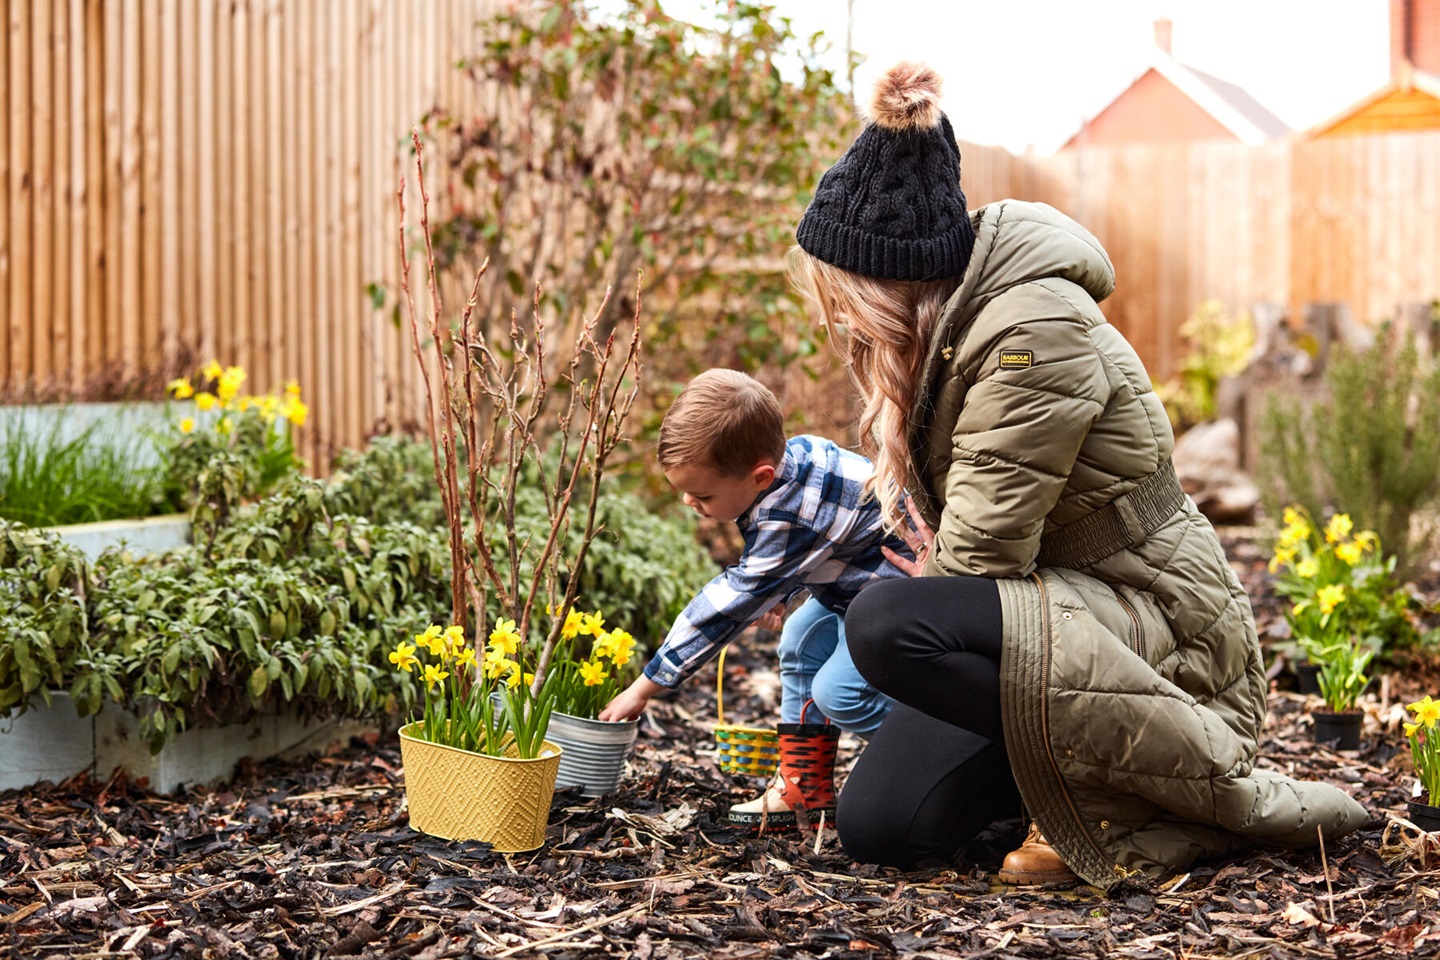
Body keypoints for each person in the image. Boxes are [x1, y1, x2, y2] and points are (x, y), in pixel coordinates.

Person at [786, 61, 1369, 887]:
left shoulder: (1031, 329)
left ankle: (1168, 796)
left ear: (887, 282)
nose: (835, 315)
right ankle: (1058, 780)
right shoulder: (956, 330)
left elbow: (980, 558)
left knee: (884, 624)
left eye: (842, 293)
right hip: (1056, 612)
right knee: (880, 826)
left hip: (1153, 622)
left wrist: (898, 650)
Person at [598, 368, 908, 828]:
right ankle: (805, 786)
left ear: (760, 477)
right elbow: (833, 535)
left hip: (901, 601)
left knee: (840, 694)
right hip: (861, 588)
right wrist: (784, 587)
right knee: (799, 640)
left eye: (702, 494)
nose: (689, 503)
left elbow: (728, 605)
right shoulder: (794, 458)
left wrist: (646, 686)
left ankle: (942, 751)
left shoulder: (786, 513)